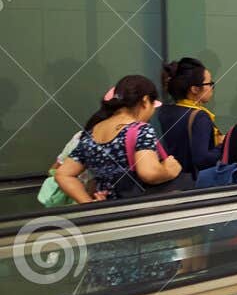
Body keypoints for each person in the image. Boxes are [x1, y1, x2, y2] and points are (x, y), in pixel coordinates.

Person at [54, 75, 184, 202]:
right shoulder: (141, 130)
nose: (152, 111)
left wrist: (88, 203)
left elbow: (63, 174)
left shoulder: (92, 132)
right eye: (152, 104)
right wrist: (169, 170)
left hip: (106, 213)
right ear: (145, 101)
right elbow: (149, 173)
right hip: (135, 212)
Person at [155, 56, 222, 177]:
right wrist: (223, 145)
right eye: (210, 83)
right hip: (195, 183)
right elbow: (202, 159)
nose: (212, 87)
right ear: (195, 89)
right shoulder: (200, 117)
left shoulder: (166, 111)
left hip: (175, 179)